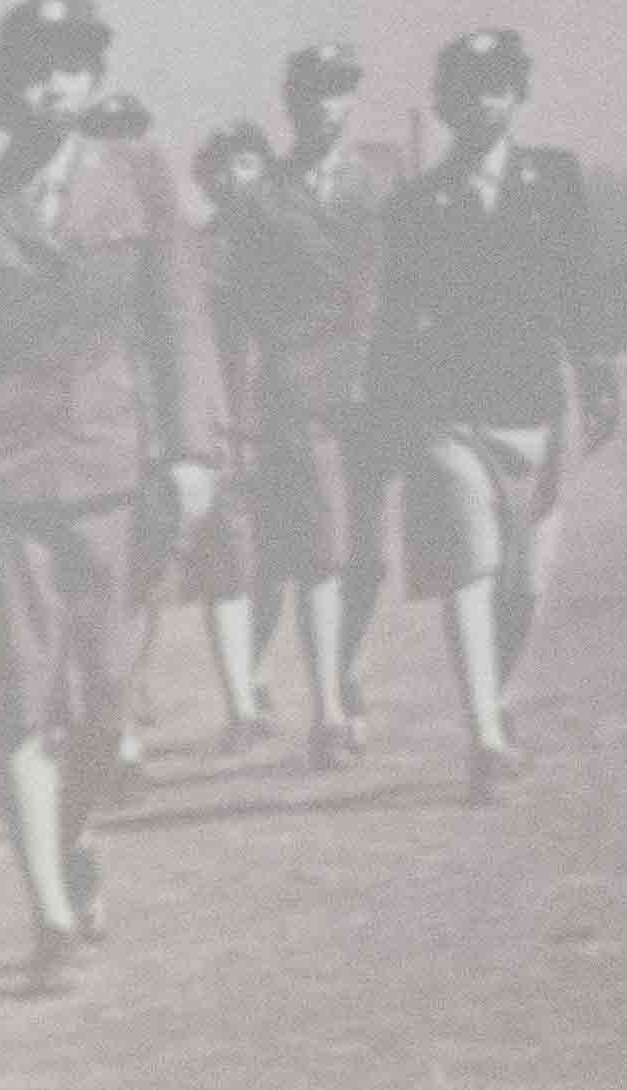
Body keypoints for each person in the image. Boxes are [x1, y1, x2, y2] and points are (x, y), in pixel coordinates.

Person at [0, 0, 219, 985]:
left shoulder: (139, 180)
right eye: (34, 67)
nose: (53, 83)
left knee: (102, 703)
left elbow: (180, 322)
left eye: (72, 63)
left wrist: (194, 451)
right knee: (20, 703)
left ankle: (70, 836)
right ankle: (49, 924)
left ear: (94, 75)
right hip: (4, 483)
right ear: (4, 86)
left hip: (113, 468)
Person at [363, 20, 615, 799]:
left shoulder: (555, 178)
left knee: (526, 583)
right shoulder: (414, 207)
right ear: (443, 105)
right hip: (450, 414)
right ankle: (482, 732)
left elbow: (582, 285)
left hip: (536, 407)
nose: (485, 103)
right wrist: (389, 424)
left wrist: (599, 373)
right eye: (469, 91)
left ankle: (496, 705)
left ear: (521, 95)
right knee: (468, 566)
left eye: (500, 86)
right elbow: (395, 322)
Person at [206, 38, 395, 756]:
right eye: (314, 92)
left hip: (376, 388)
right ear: (291, 104)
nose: (328, 106)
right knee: (323, 552)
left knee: (371, 558)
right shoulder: (260, 201)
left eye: (340, 90)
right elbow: (237, 307)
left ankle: (339, 668)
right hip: (301, 394)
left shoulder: (381, 176)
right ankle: (327, 715)